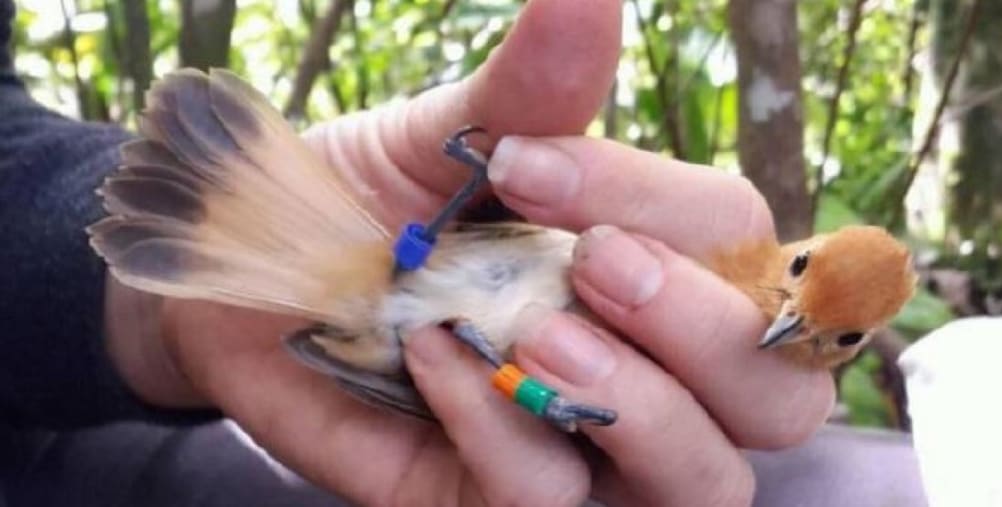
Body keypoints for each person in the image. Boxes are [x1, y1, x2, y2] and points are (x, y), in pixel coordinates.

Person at [0, 1, 928, 505]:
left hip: (403, 334)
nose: (791, 315)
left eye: (836, 338)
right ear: (797, 250)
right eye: (802, 279)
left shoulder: (708, 320)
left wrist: (160, 323)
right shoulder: (708, 260)